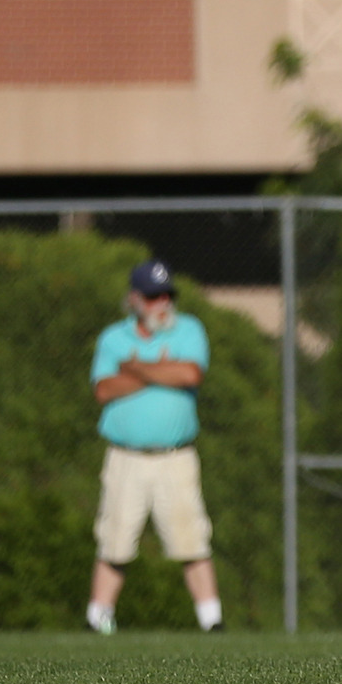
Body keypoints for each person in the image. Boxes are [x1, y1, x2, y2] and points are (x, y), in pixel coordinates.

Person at [86, 259, 221, 635]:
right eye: (151, 296)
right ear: (134, 299)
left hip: (175, 457)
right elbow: (104, 389)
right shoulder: (114, 338)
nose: (161, 303)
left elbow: (190, 373)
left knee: (192, 539)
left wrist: (134, 368)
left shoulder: (188, 329)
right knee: (114, 542)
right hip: (125, 456)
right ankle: (97, 619)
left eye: (166, 295)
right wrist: (161, 371)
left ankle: (212, 622)